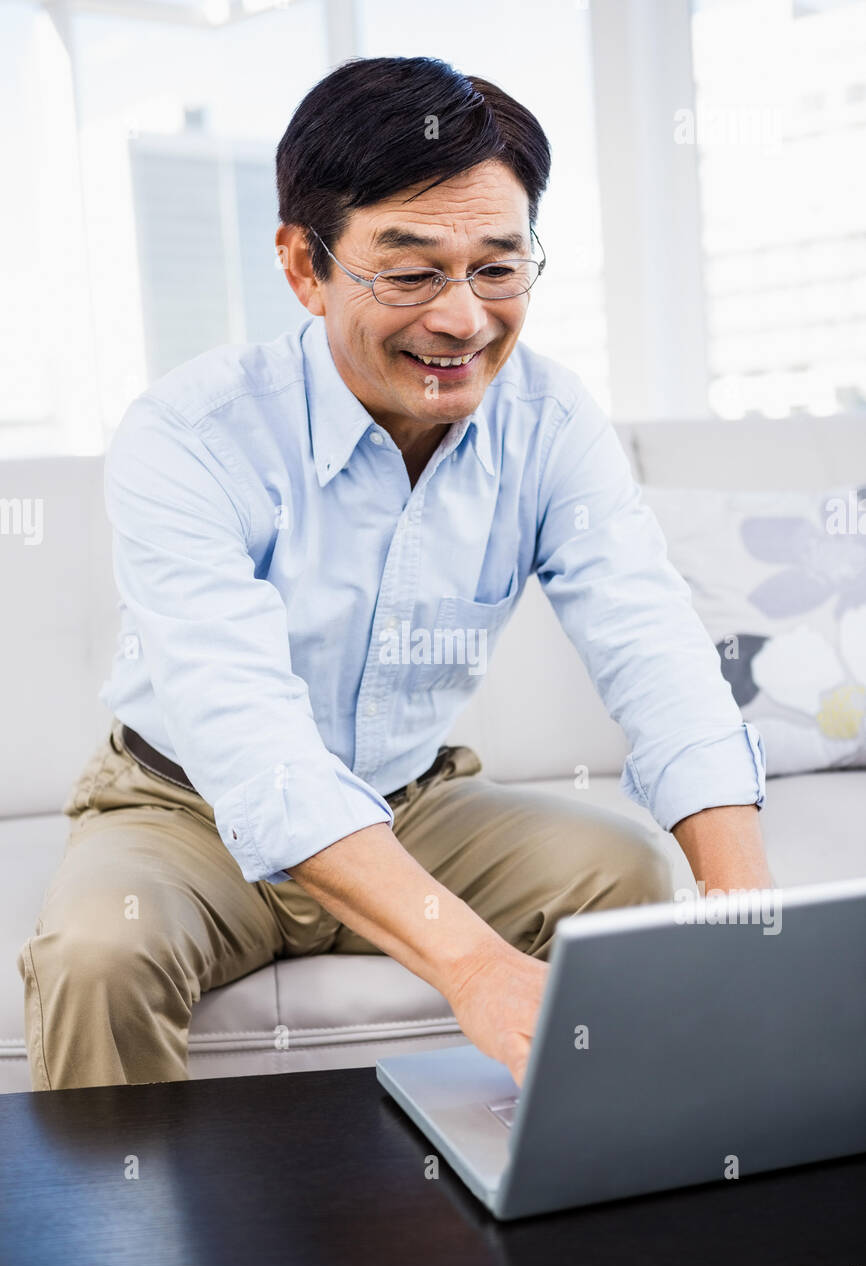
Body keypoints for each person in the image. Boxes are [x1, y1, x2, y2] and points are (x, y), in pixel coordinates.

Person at [18, 56, 771, 1094]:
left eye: (497, 267)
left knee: (630, 872)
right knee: (96, 956)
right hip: (185, 813)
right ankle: (129, 1249)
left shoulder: (548, 423)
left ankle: (587, 1194)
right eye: (410, 272)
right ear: (302, 264)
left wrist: (750, 916)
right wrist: (470, 966)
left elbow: (656, 653)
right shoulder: (189, 437)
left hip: (408, 803)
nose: (461, 318)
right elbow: (254, 747)